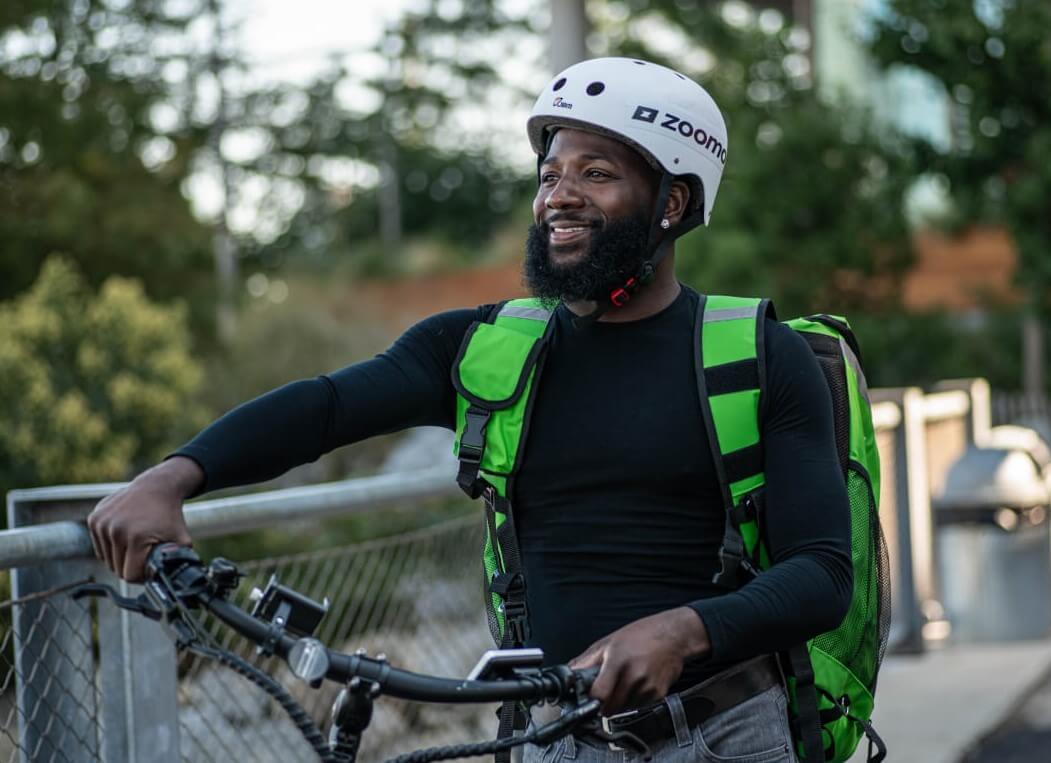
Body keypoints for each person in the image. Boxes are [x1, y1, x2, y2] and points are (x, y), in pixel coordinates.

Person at [88, 58, 851, 763]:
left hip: (721, 732)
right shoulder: (482, 348)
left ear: (672, 201)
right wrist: (175, 475)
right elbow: (325, 408)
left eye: (596, 172)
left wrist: (684, 631)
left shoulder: (758, 354)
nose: (559, 195)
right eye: (549, 173)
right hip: (546, 733)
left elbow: (819, 573)